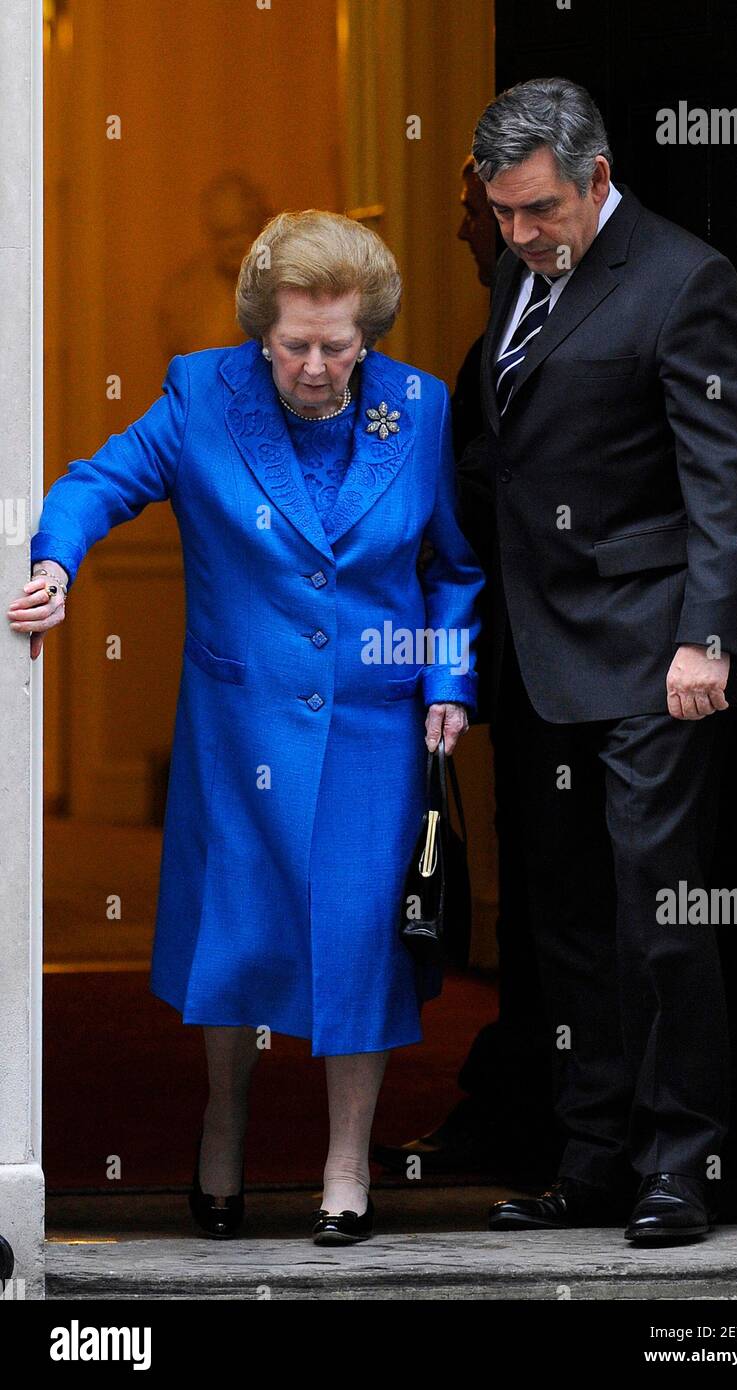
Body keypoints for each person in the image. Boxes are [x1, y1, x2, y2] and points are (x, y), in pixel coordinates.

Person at [10, 210, 484, 1245]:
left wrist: (446, 673)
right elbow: (102, 482)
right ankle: (224, 1126)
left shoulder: (421, 407)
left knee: (359, 938)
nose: (316, 367)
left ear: (370, 334)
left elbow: (451, 565)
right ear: (261, 329)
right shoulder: (202, 393)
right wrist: (55, 560)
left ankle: (346, 1168)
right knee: (241, 930)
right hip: (242, 722)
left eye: (338, 345)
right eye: (295, 344)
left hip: (371, 727)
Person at [461, 77, 737, 1243]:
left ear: (596, 178)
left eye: (538, 209)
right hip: (541, 653)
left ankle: (677, 1165)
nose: (520, 234)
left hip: (652, 654)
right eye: (502, 213)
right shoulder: (515, 272)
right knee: (569, 925)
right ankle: (589, 1158)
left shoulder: (684, 280)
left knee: (659, 915)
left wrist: (708, 636)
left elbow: (726, 477)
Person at [373, 156, 560, 1185]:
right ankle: (521, 1100)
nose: (461, 234)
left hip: (573, 660)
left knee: (561, 902)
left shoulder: (543, 339)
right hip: (508, 667)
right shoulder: (494, 347)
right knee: (530, 887)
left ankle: (554, 1116)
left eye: (469, 215)